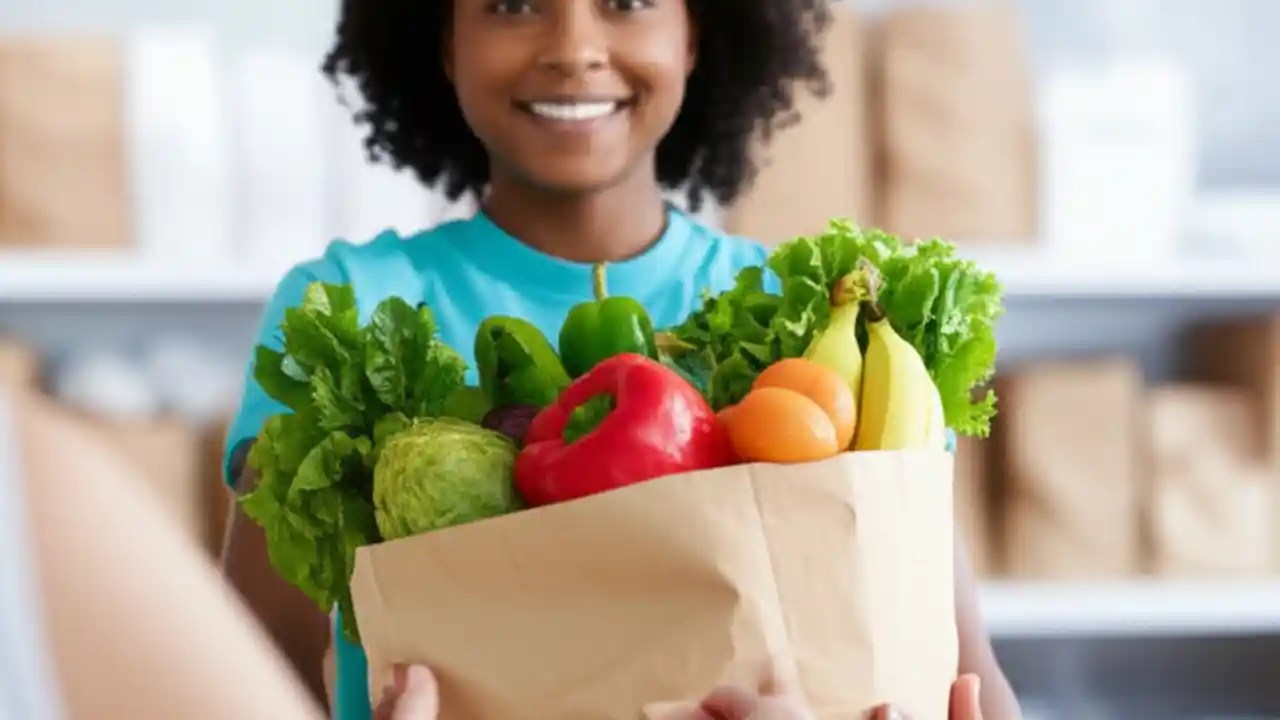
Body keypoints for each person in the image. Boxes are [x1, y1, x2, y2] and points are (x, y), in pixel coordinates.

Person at [221, 1, 1023, 718]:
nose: (574, 45)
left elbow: (966, 671)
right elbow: (238, 683)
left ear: (697, 31)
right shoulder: (344, 304)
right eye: (513, 3)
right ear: (442, 38)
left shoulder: (819, 318)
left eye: (628, 1)